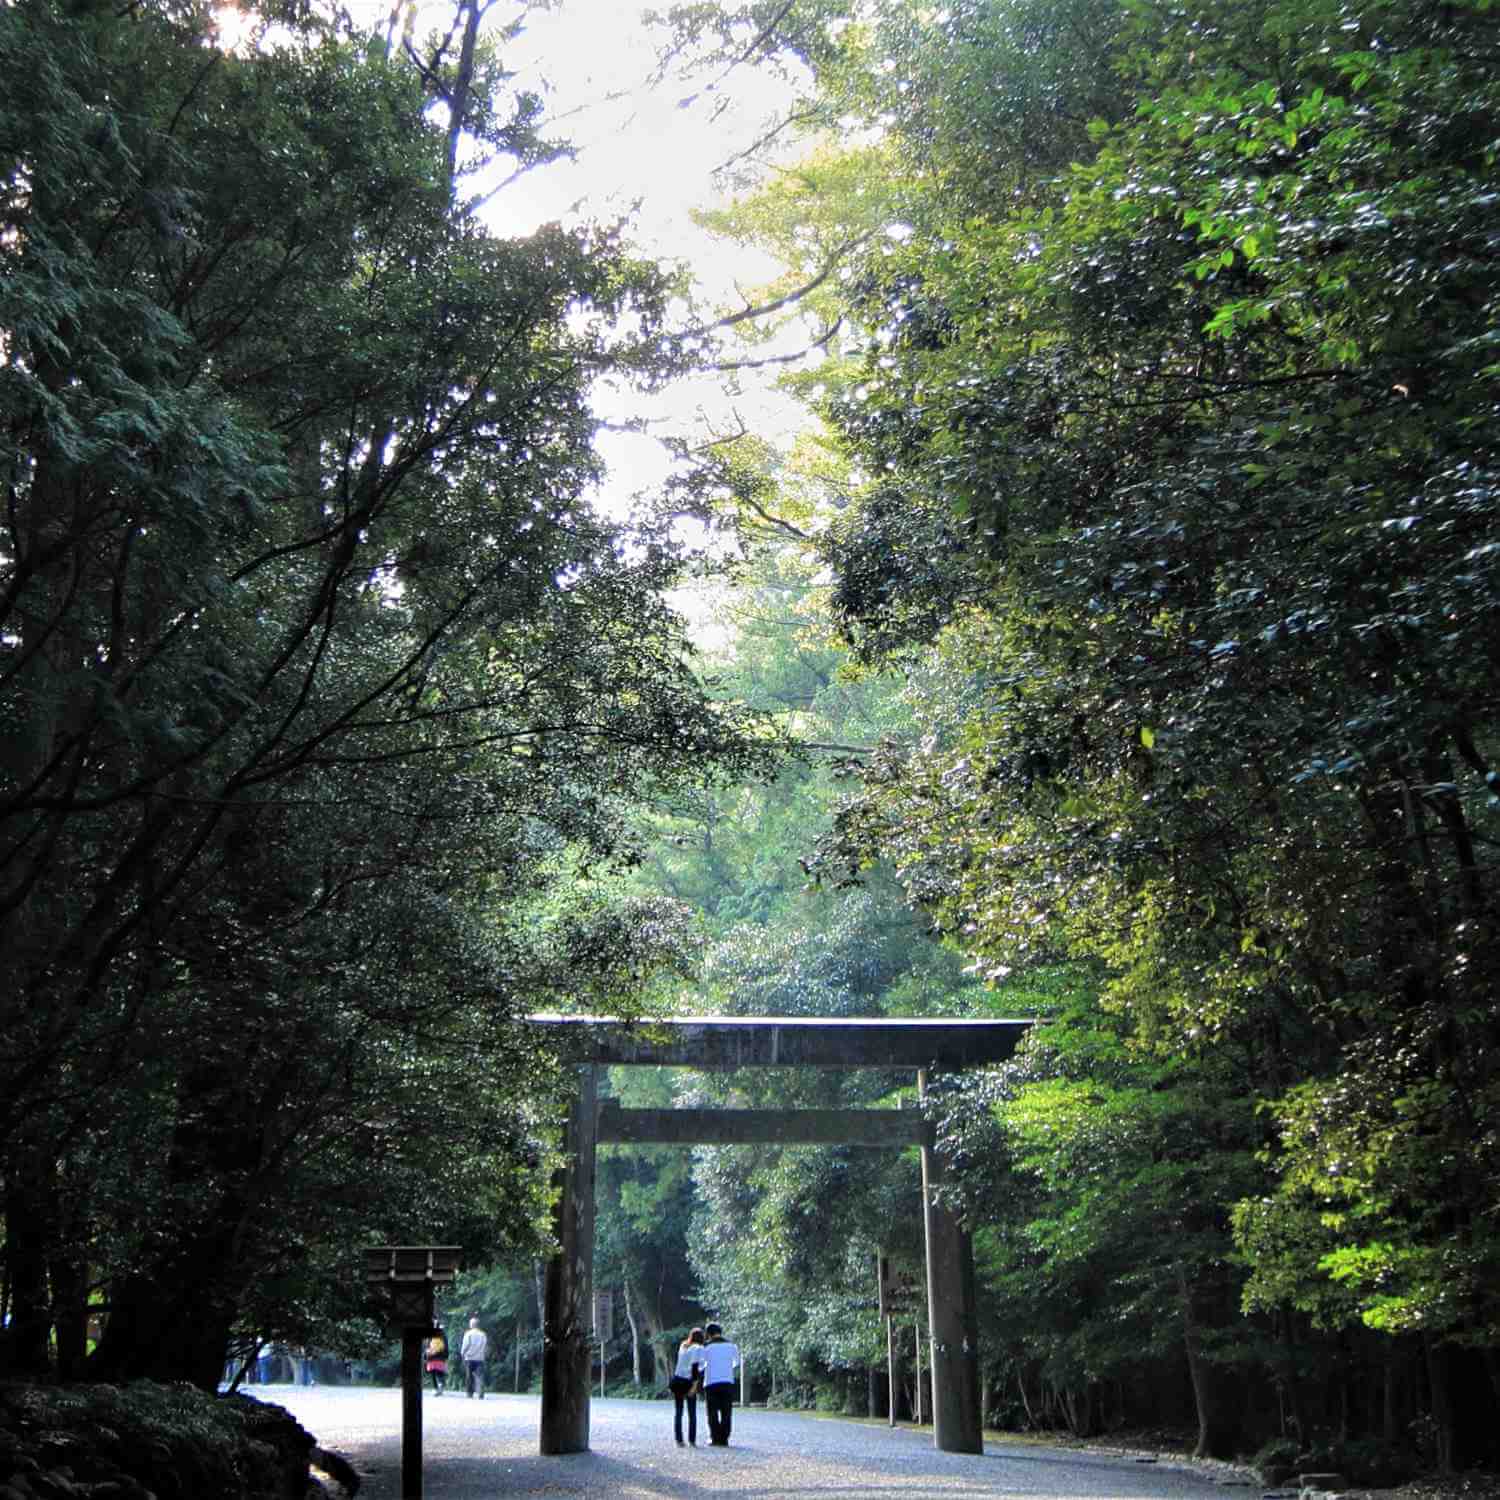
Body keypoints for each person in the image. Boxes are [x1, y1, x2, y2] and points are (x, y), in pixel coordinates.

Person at [700, 1322, 740, 1446]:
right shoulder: (732, 1346)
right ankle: (725, 1438)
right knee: (726, 1411)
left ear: (708, 1334)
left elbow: (701, 1365)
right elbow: (736, 1362)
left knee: (712, 1411)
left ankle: (715, 1437)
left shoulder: (706, 1347)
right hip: (727, 1381)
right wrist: (727, 1367)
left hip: (711, 1382)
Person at [669, 1327, 705, 1447]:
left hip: (677, 1380)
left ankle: (679, 1440)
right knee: (692, 1413)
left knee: (678, 1412)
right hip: (688, 1381)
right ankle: (692, 1440)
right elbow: (695, 1368)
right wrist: (695, 1386)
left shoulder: (683, 1345)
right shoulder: (698, 1348)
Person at [459, 1315, 488, 1398]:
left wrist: (462, 1353)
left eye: (470, 1323)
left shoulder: (468, 1334)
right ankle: (480, 1393)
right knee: (479, 1376)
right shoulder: (483, 1334)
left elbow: (465, 1345)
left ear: (472, 1324)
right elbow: (485, 1346)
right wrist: (484, 1355)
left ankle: (469, 1393)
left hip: (469, 1358)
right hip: (480, 1358)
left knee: (469, 1376)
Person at [424, 1327, 448, 1396]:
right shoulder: (443, 1335)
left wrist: (425, 1356)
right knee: (439, 1372)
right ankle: (440, 1384)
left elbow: (427, 1346)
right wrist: (446, 1356)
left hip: (431, 1357)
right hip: (440, 1357)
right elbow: (446, 1347)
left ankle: (435, 1388)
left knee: (433, 1374)